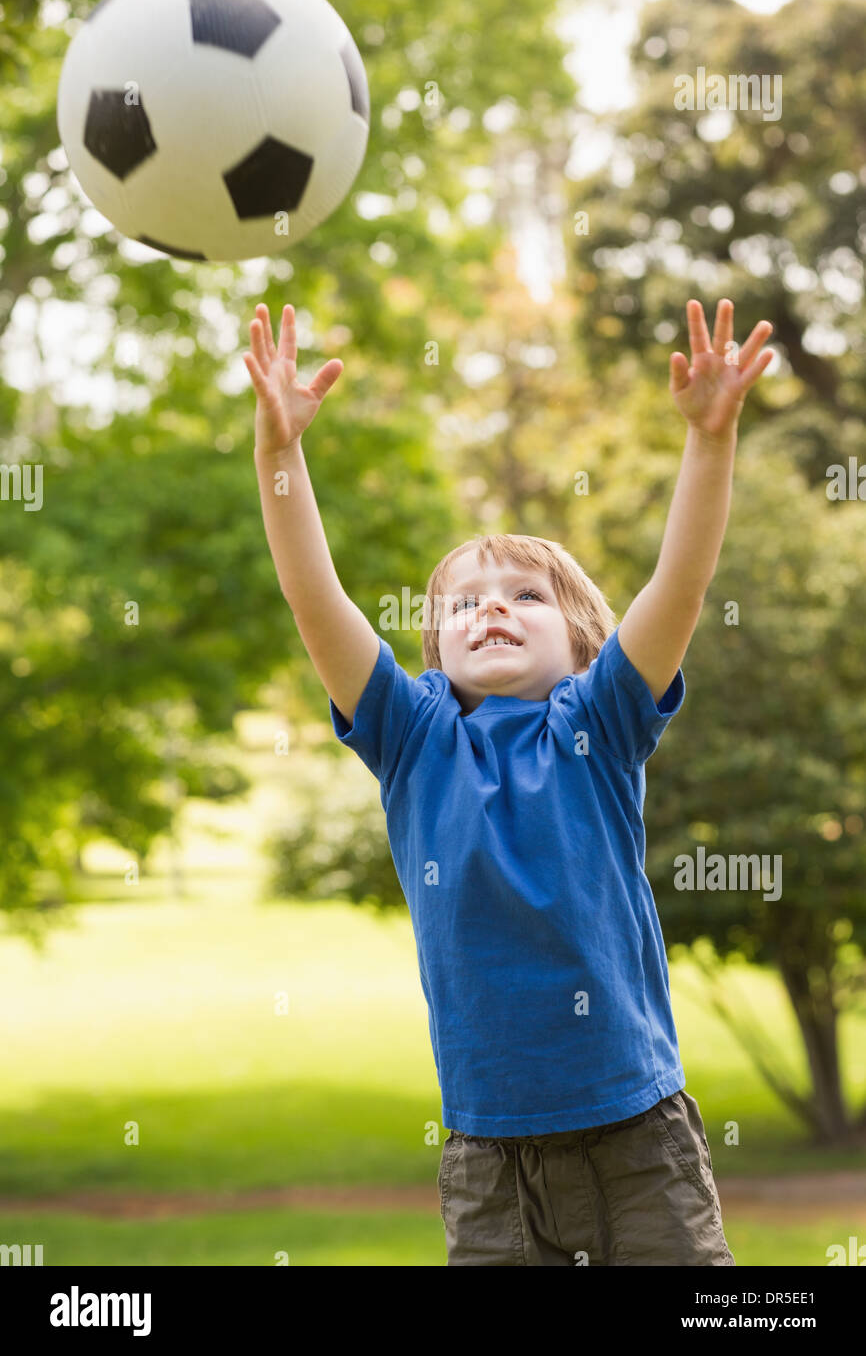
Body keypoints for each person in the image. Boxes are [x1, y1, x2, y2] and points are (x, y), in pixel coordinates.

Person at [243, 296, 773, 1265]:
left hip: (635, 1138)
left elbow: (679, 585)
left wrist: (708, 439)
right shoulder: (412, 736)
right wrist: (280, 454)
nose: (490, 611)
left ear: (584, 643)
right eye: (463, 604)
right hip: (487, 1157)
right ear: (434, 647)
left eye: (525, 596)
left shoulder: (597, 721)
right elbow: (313, 597)